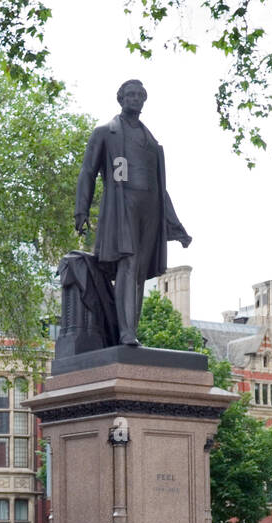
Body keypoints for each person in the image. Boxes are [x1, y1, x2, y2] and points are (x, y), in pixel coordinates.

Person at [75, 79, 192, 346]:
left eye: (140, 95)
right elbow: (87, 172)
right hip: (121, 205)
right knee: (127, 264)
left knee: (138, 272)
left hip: (149, 209)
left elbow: (161, 188)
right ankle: (126, 332)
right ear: (120, 98)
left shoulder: (152, 143)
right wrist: (81, 211)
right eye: (130, 94)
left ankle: (131, 330)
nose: (135, 99)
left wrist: (175, 225)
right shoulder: (105, 132)